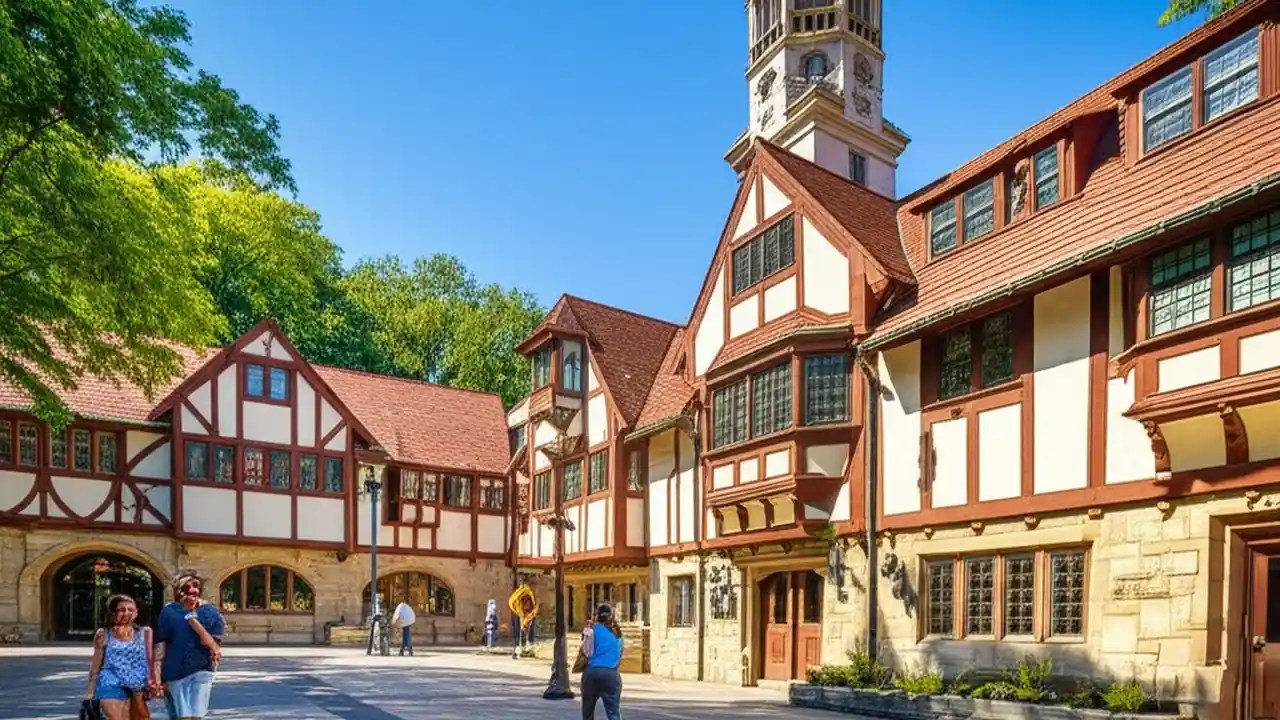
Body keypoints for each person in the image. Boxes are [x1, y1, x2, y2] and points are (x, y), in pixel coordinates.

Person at [154, 574, 224, 720]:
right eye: (186, 588)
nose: (192, 591)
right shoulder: (169, 611)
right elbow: (161, 643)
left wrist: (193, 619)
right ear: (177, 591)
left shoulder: (210, 612)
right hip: (175, 670)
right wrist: (157, 676)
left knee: (196, 716)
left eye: (196, 587)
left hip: (202, 669)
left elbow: (214, 646)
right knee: (181, 716)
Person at [83, 594, 157, 720]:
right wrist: (90, 693)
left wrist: (155, 681)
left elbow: (150, 660)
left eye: (131, 610)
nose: (126, 613)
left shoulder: (145, 632)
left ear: (136, 613)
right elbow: (96, 664)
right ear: (113, 613)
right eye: (121, 610)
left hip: (137, 687)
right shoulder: (104, 633)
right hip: (110, 682)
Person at [578, 603, 623, 720]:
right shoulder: (618, 635)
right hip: (610, 673)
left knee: (588, 709)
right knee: (613, 711)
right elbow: (618, 655)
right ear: (611, 617)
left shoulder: (591, 631)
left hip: (592, 672)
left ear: (597, 616)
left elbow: (587, 652)